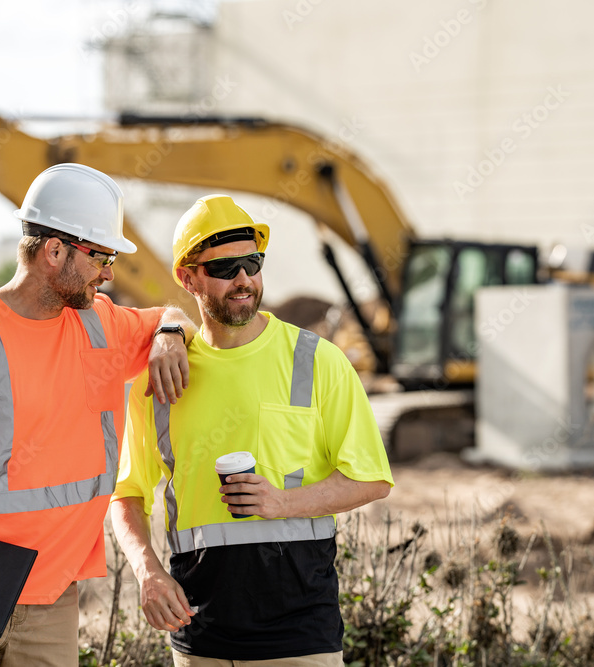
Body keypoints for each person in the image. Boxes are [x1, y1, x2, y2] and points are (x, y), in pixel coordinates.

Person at [0, 163, 197, 666]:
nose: (108, 272)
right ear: (54, 251)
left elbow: (174, 314)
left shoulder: (100, 322)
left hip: (54, 599)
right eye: (100, 256)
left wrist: (169, 334)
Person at [111, 194, 394, 666]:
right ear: (187, 277)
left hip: (301, 635)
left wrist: (282, 502)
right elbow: (127, 494)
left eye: (252, 263)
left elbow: (373, 479)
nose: (244, 279)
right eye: (225, 268)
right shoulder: (159, 381)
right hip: (199, 636)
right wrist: (147, 573)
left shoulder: (317, 360)